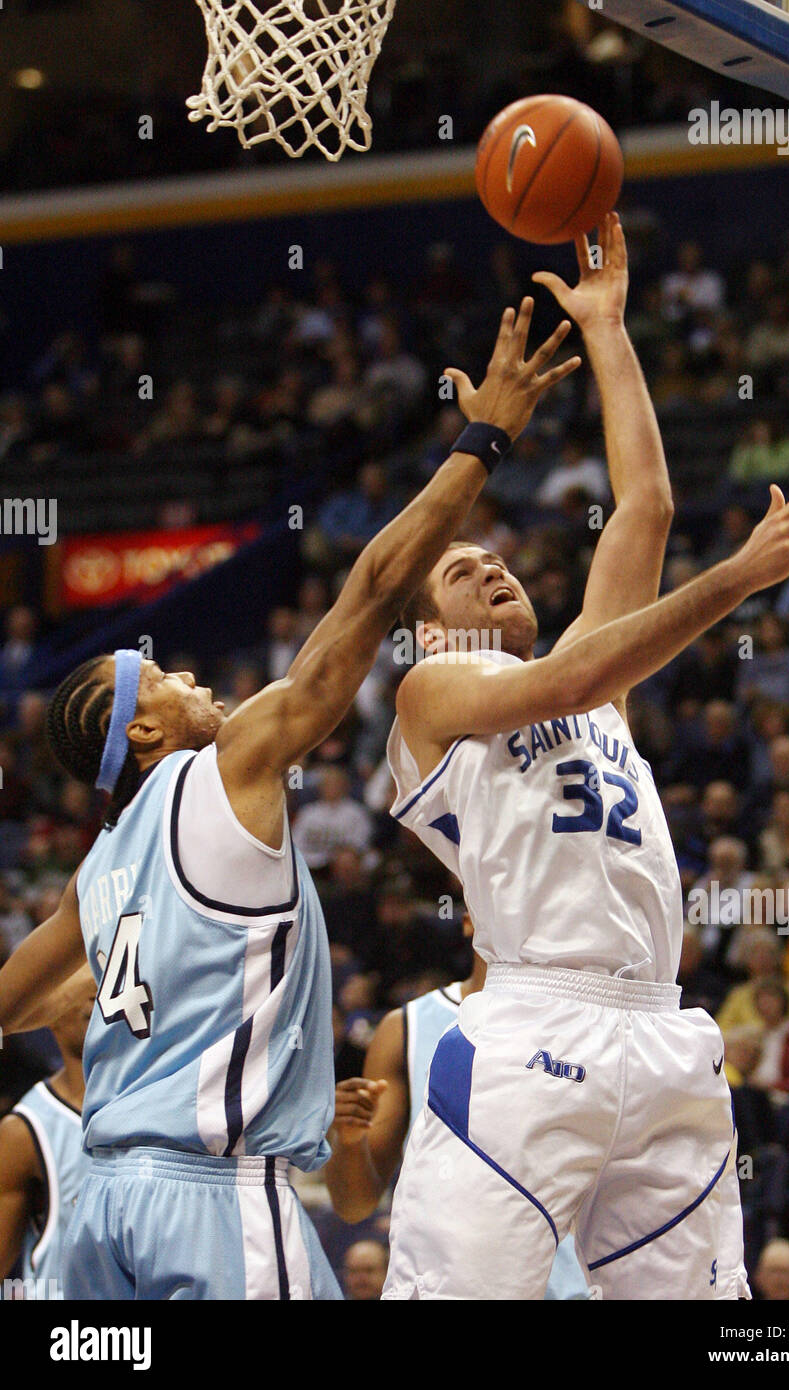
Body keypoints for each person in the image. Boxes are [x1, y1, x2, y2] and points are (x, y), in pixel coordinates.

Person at [0, 299, 580, 1302]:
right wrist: (482, 442)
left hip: (101, 1210)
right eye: (163, 676)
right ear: (144, 732)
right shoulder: (220, 771)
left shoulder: (94, 876)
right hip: (213, 1196)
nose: (189, 676)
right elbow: (366, 595)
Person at [379, 215, 789, 1300]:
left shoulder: (599, 676)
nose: (488, 565)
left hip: (663, 1029)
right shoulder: (434, 690)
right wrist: (733, 580)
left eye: (493, 554)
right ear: (424, 626)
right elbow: (564, 683)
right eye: (458, 571)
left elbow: (645, 504)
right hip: (529, 1025)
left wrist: (605, 329)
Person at [324, 918, 590, 1298]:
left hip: (563, 1285)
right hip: (443, 1285)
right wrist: (349, 1142)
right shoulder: (406, 1028)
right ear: (468, 919)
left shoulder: (585, 1026)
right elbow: (354, 1204)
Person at [0, 967, 94, 1300]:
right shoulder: (24, 1131)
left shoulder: (159, 1109)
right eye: (83, 987)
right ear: (47, 1013)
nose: (94, 995)